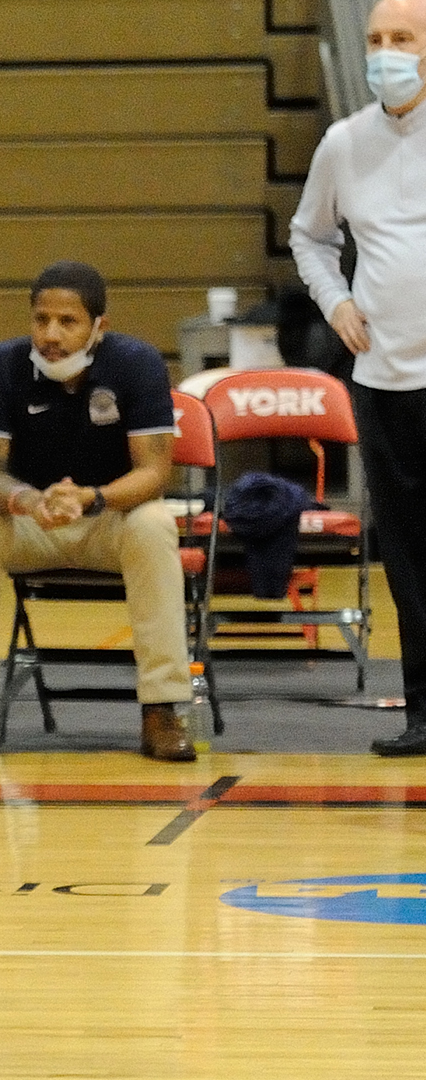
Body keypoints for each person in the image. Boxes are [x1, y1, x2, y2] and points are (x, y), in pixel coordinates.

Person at [0, 261, 192, 762]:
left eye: (67, 322)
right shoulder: (3, 364)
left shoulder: (137, 363)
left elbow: (156, 471)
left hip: (109, 519)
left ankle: (163, 710)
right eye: (41, 319)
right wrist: (28, 500)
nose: (51, 334)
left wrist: (91, 497)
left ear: (99, 326)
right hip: (32, 521)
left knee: (156, 522)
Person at [290, 0, 426, 756]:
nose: (385, 54)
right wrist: (336, 300)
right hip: (383, 380)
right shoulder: (344, 144)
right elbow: (307, 237)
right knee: (406, 554)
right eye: (375, 41)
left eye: (402, 40)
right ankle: (424, 714)